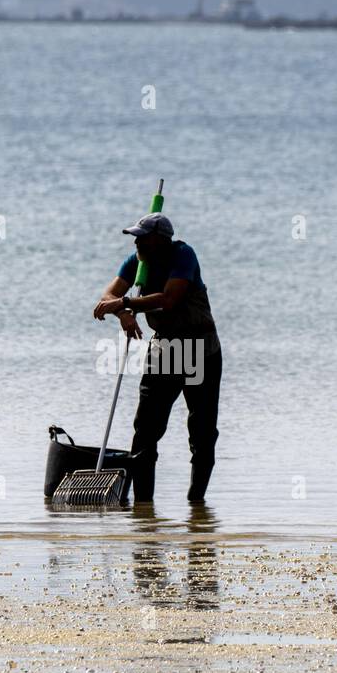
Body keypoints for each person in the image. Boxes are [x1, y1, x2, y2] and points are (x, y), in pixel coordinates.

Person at [93, 212, 222, 503]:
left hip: (200, 349)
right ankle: (143, 509)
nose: (136, 242)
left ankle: (196, 506)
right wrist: (123, 313)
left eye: (142, 237)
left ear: (160, 240)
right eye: (135, 237)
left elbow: (169, 298)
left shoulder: (183, 255)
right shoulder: (136, 262)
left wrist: (125, 303)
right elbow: (108, 295)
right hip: (163, 349)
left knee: (202, 433)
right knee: (145, 431)